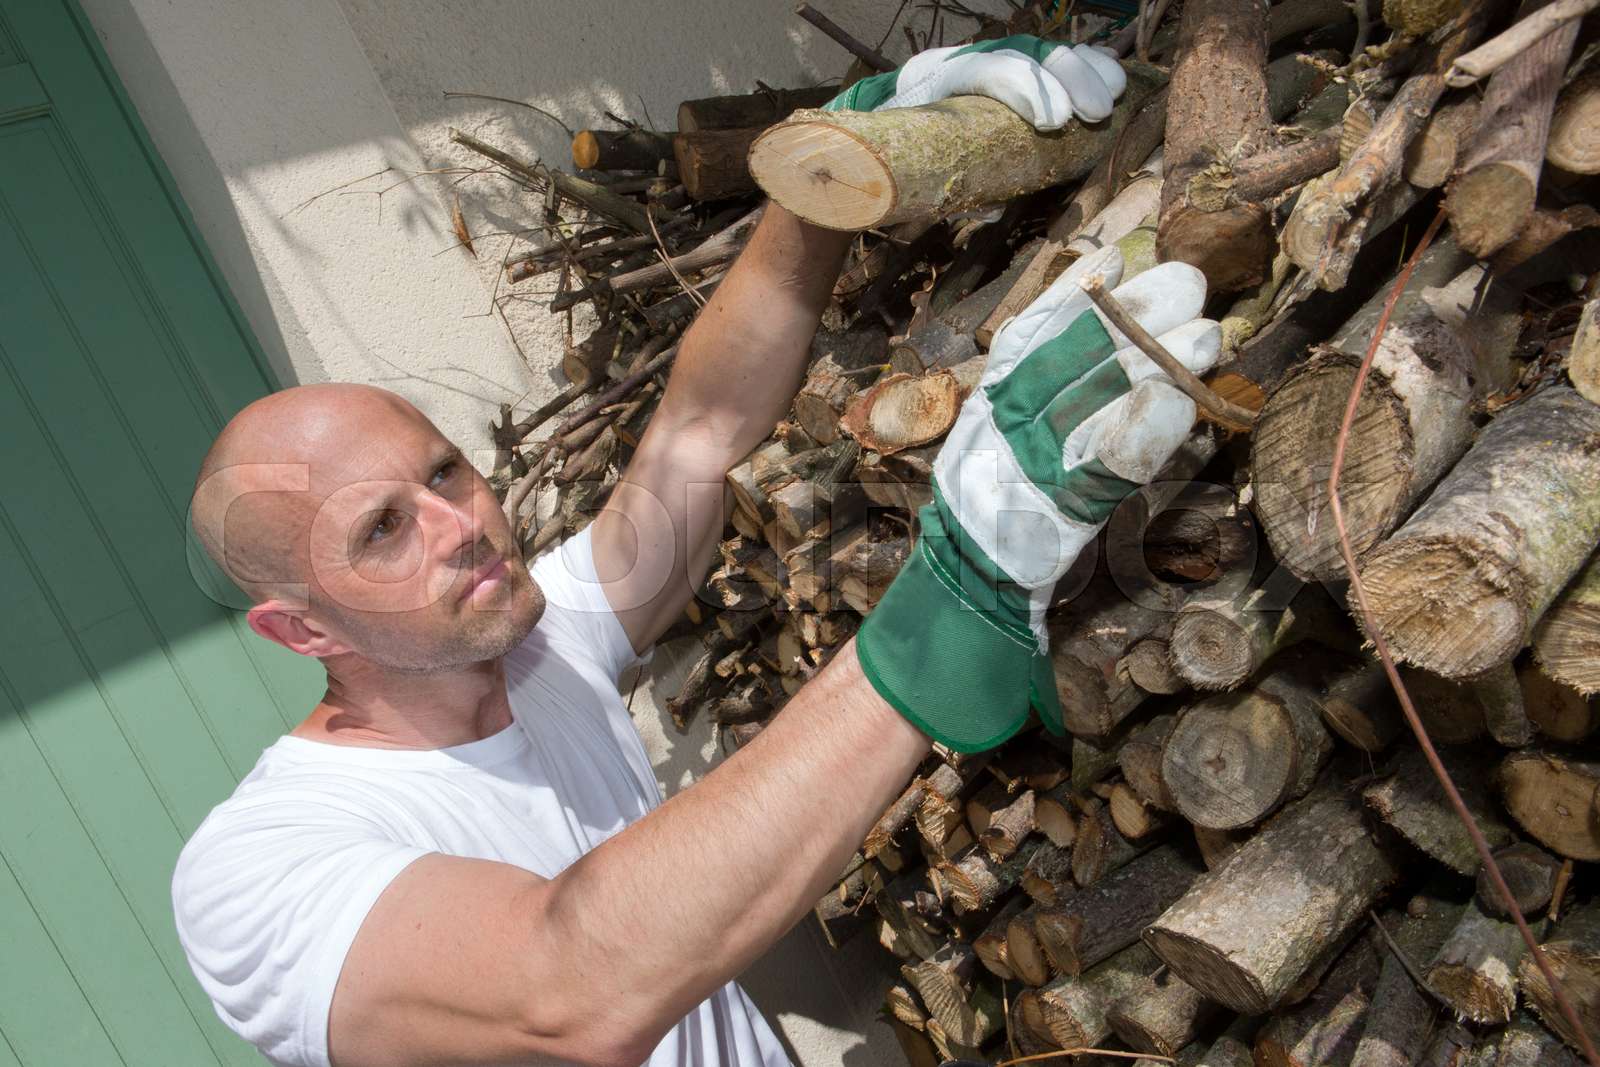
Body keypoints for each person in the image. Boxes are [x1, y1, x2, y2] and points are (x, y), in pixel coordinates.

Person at [173, 36, 1218, 1067]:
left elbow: (698, 430)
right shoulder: (260, 868)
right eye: (382, 528)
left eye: (444, 472)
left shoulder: (542, 651)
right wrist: (958, 592)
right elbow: (568, 989)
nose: (460, 523)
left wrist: (830, 165)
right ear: (298, 626)